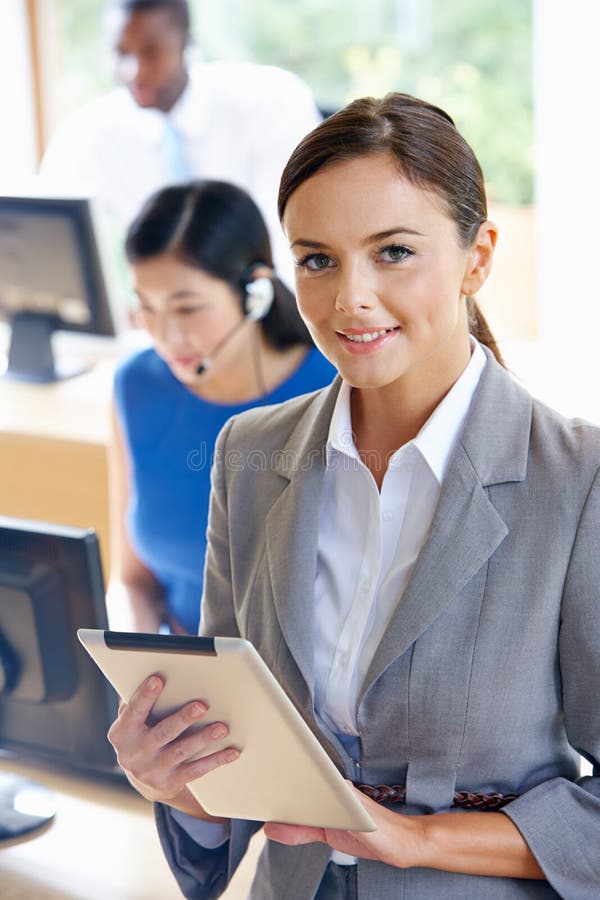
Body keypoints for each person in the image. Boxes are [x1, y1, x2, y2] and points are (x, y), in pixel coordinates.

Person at [107, 93, 600, 898]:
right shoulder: (250, 455)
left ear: (478, 257)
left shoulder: (578, 483)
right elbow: (235, 753)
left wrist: (419, 838)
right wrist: (175, 781)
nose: (349, 299)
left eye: (394, 252)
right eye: (317, 259)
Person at [108, 179, 335, 635]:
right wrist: (137, 672)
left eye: (188, 308)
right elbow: (133, 581)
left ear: (256, 292)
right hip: (180, 678)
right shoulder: (136, 386)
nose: (165, 336)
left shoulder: (337, 387)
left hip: (305, 694)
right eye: (146, 308)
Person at [39, 0, 322, 284]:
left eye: (151, 52)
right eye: (121, 52)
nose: (134, 72)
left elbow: (298, 230)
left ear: (186, 43)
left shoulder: (270, 100)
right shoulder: (87, 133)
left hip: (266, 298)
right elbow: (48, 227)